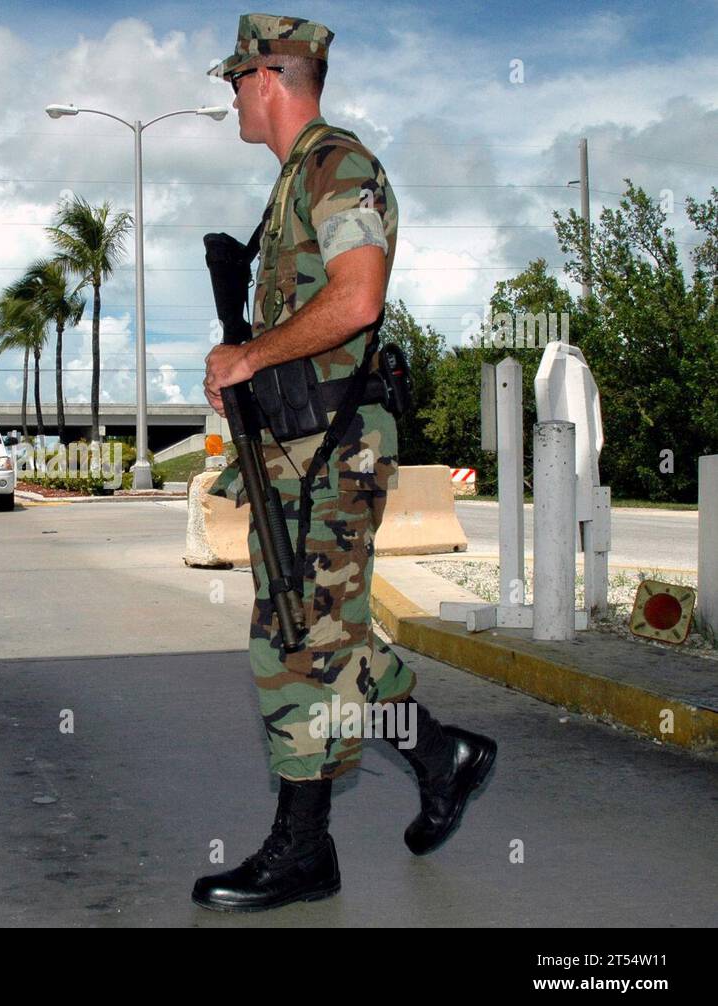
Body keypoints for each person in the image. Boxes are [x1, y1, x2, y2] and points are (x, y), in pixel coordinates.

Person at [196, 13, 497, 913]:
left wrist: (251, 356)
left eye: (237, 81)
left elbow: (358, 298)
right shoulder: (298, 181)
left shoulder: (336, 166)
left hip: (333, 450)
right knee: (323, 638)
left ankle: (304, 850)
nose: (234, 98)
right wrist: (252, 364)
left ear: (270, 78)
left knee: (293, 640)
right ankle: (437, 755)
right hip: (303, 450)